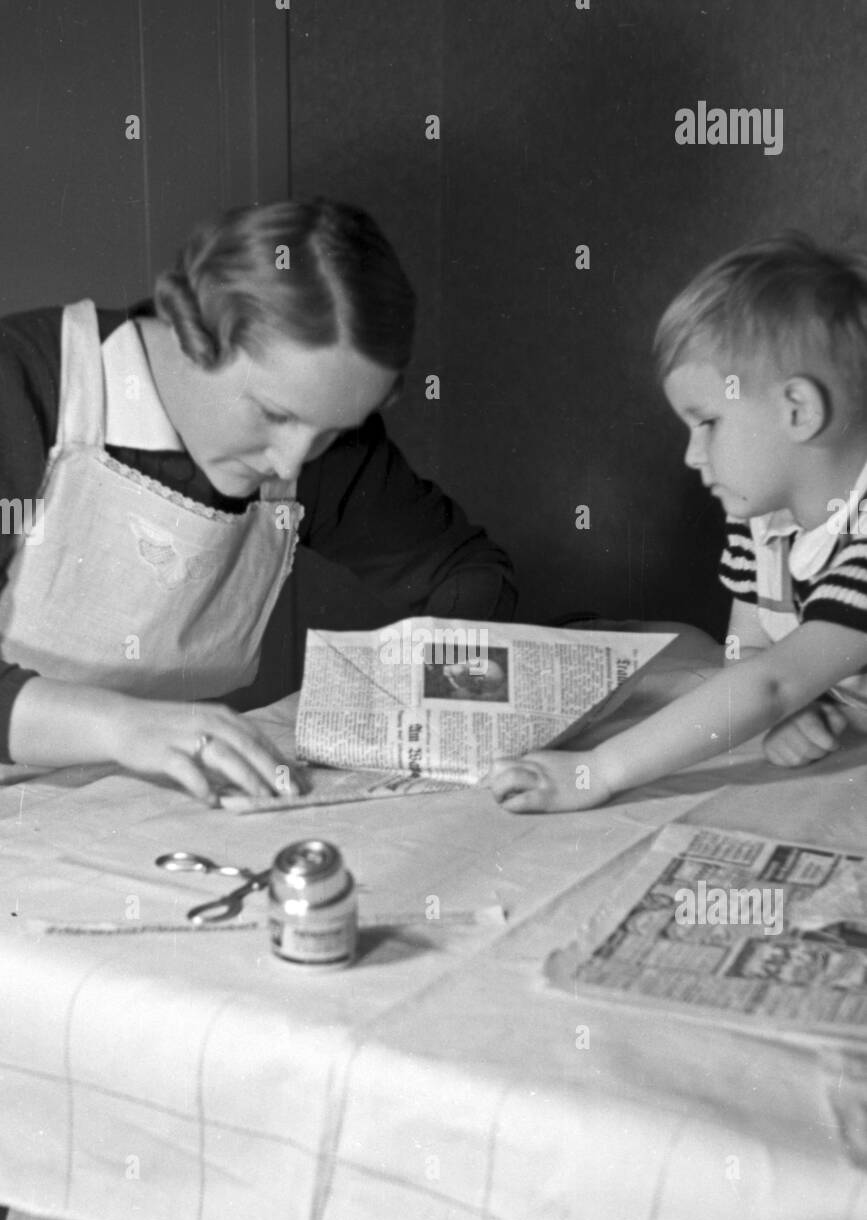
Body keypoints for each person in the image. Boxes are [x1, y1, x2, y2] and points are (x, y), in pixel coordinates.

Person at [0, 199, 516, 802]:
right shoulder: (23, 386)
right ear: (192, 333)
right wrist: (119, 726)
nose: (295, 461)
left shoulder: (320, 441)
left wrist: (445, 679)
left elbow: (465, 571)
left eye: (330, 431)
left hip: (138, 804)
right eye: (274, 414)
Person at [491, 232, 867, 812]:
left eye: (707, 422)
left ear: (799, 410)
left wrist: (598, 770)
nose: (692, 455)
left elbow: (772, 683)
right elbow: (751, 655)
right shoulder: (764, 520)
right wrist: (794, 709)